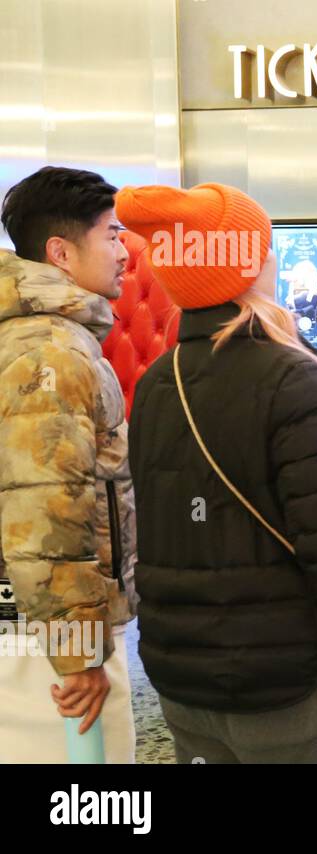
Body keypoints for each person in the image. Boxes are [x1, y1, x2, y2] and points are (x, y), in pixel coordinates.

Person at [117, 182, 317, 763]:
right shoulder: (290, 376)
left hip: (182, 683)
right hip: (287, 686)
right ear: (249, 266)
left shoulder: (154, 384)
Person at [0, 166, 136, 763]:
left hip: (37, 631)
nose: (123, 249)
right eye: (110, 234)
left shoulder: (36, 336)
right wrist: (78, 654)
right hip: (44, 648)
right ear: (60, 251)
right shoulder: (51, 351)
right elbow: (47, 515)